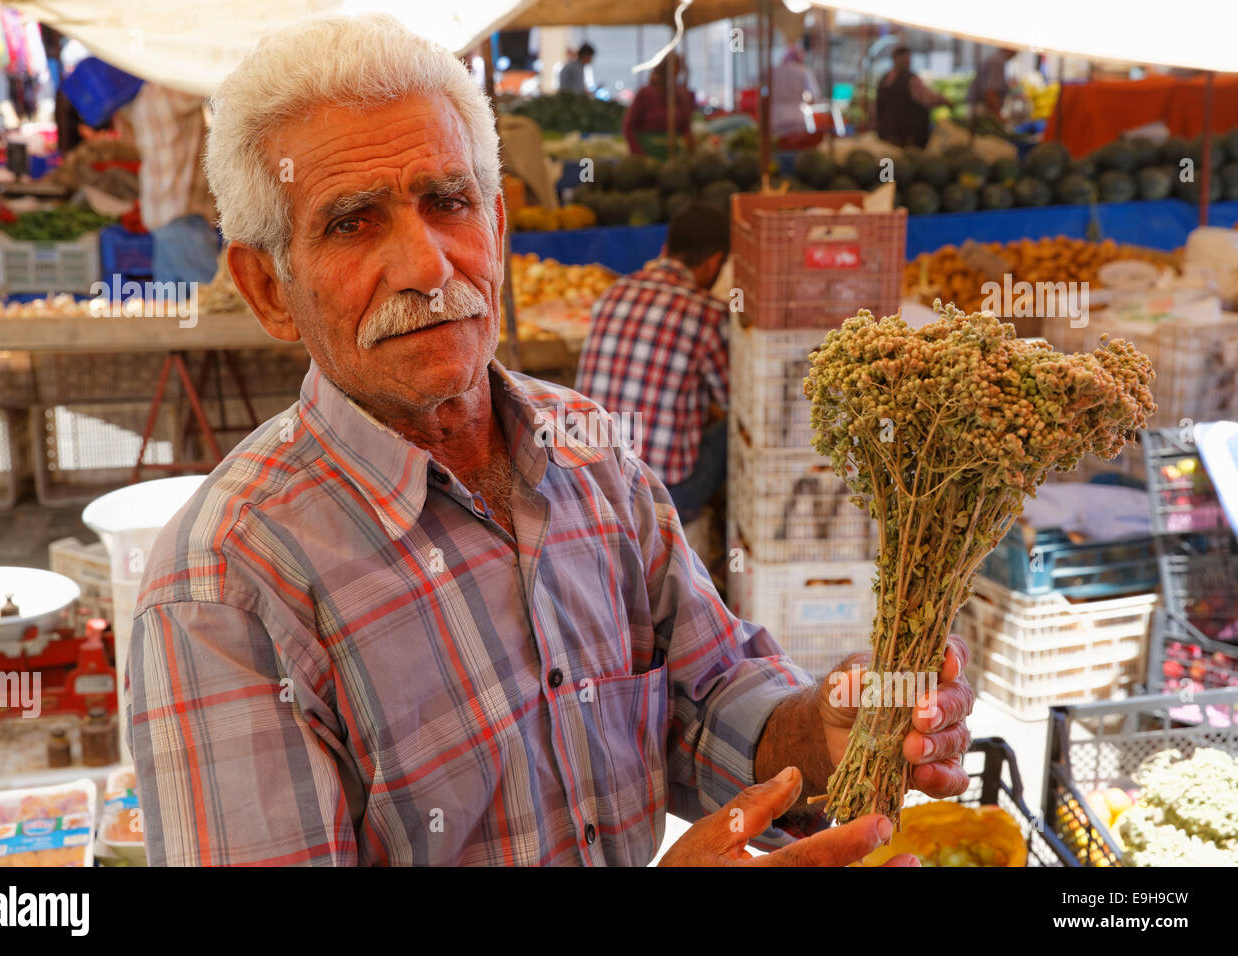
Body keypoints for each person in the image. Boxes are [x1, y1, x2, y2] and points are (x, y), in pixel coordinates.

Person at [126, 13, 974, 867]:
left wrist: (823, 732)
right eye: (352, 223)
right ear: (267, 288)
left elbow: (711, 698)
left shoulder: (590, 452)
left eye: (448, 203)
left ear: (495, 229)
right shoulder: (221, 593)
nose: (427, 266)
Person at [575, 202, 731, 524]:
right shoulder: (708, 313)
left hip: (591, 481)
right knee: (736, 428)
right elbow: (734, 401)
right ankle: (710, 524)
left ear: (664, 248)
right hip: (664, 496)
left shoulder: (613, 292)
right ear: (715, 262)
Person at [126, 81, 219, 286]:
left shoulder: (146, 95)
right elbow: (217, 81)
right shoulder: (177, 90)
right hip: (182, 215)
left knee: (172, 307)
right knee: (218, 299)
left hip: (161, 213)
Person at [874, 45, 951, 148]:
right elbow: (927, 98)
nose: (907, 61)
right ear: (896, 59)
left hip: (889, 134)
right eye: (905, 59)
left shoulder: (885, 78)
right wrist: (944, 100)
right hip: (908, 137)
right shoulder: (910, 79)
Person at [623, 53, 696, 158]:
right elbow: (628, 127)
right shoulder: (646, 93)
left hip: (674, 152)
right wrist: (638, 154)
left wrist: (691, 147)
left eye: (678, 70)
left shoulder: (679, 94)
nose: (676, 74)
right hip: (647, 152)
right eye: (673, 70)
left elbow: (686, 125)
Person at [770, 40, 823, 140]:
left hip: (775, 119)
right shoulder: (804, 72)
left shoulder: (773, 72)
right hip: (797, 119)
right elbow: (815, 95)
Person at [968, 46, 1017, 123]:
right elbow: (990, 93)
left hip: (982, 107)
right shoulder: (997, 61)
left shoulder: (995, 57)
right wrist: (998, 116)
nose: (1016, 54)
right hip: (985, 109)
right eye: (1016, 50)